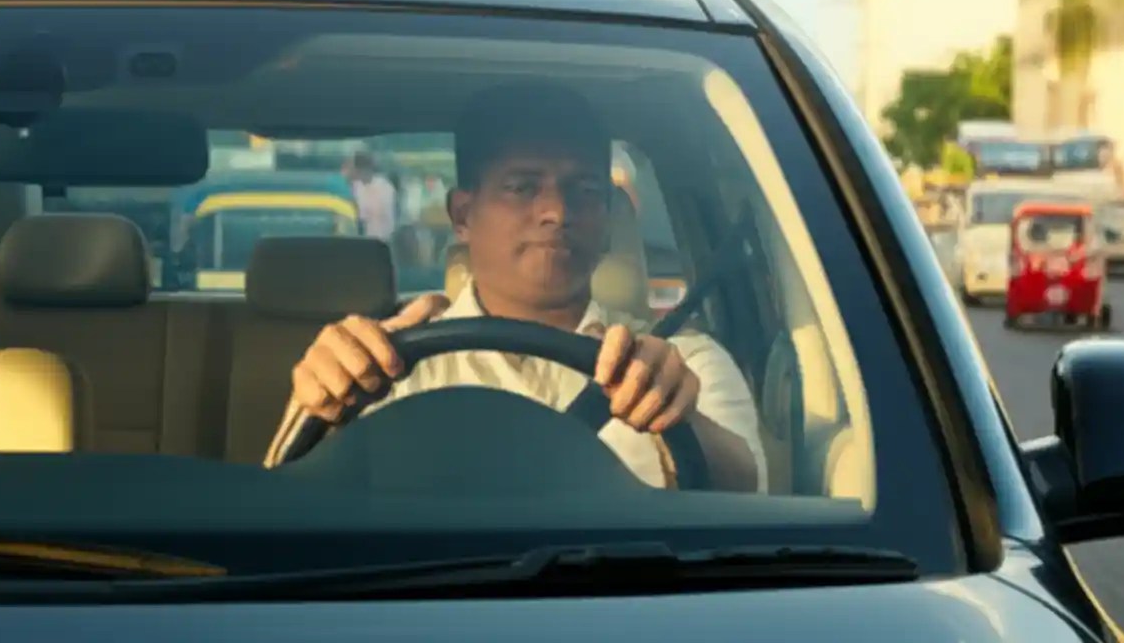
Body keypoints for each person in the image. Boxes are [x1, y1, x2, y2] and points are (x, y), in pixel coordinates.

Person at [266, 82, 765, 492]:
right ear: (463, 214)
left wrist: (678, 417)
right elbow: (282, 513)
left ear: (607, 221)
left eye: (584, 190)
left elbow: (747, 503)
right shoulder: (378, 369)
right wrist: (321, 408)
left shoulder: (682, 364)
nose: (557, 212)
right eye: (523, 186)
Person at [342, 151, 397, 241]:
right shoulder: (356, 187)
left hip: (383, 238)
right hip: (364, 240)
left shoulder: (385, 187)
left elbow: (385, 214)